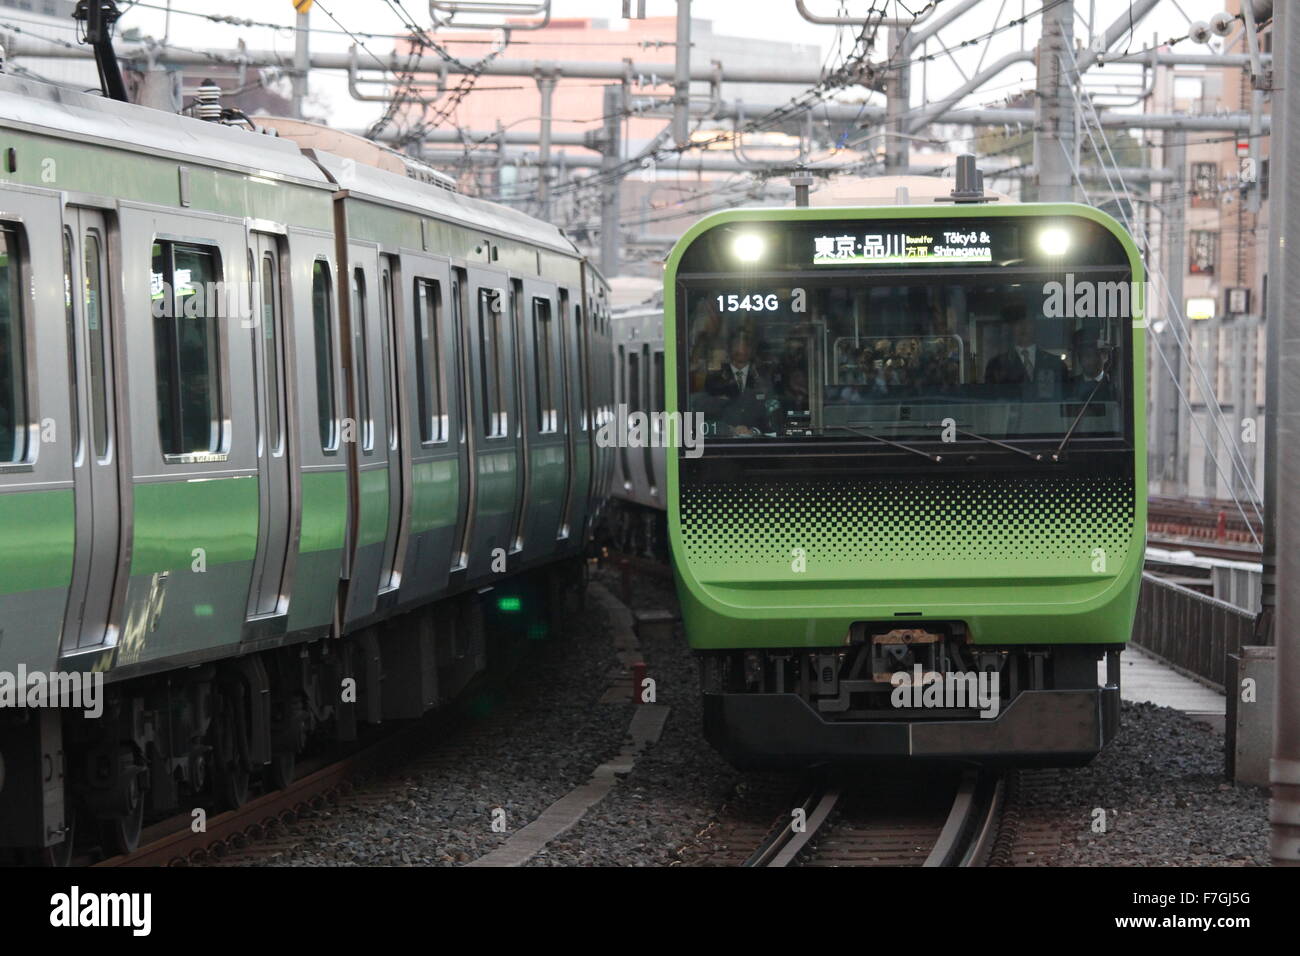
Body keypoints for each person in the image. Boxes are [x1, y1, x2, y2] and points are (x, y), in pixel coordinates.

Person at [984, 308, 1066, 397]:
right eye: (1018, 323)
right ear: (1012, 327)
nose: (1023, 327)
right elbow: (992, 399)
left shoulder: (1056, 363)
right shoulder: (996, 365)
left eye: (1028, 322)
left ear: (1035, 326)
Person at [704, 330, 772, 436]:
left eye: (746, 343)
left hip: (757, 445)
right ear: (729, 348)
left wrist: (754, 432)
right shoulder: (714, 379)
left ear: (752, 349)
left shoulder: (763, 378)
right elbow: (705, 417)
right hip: (722, 444)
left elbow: (773, 419)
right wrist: (728, 430)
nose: (741, 348)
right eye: (737, 343)